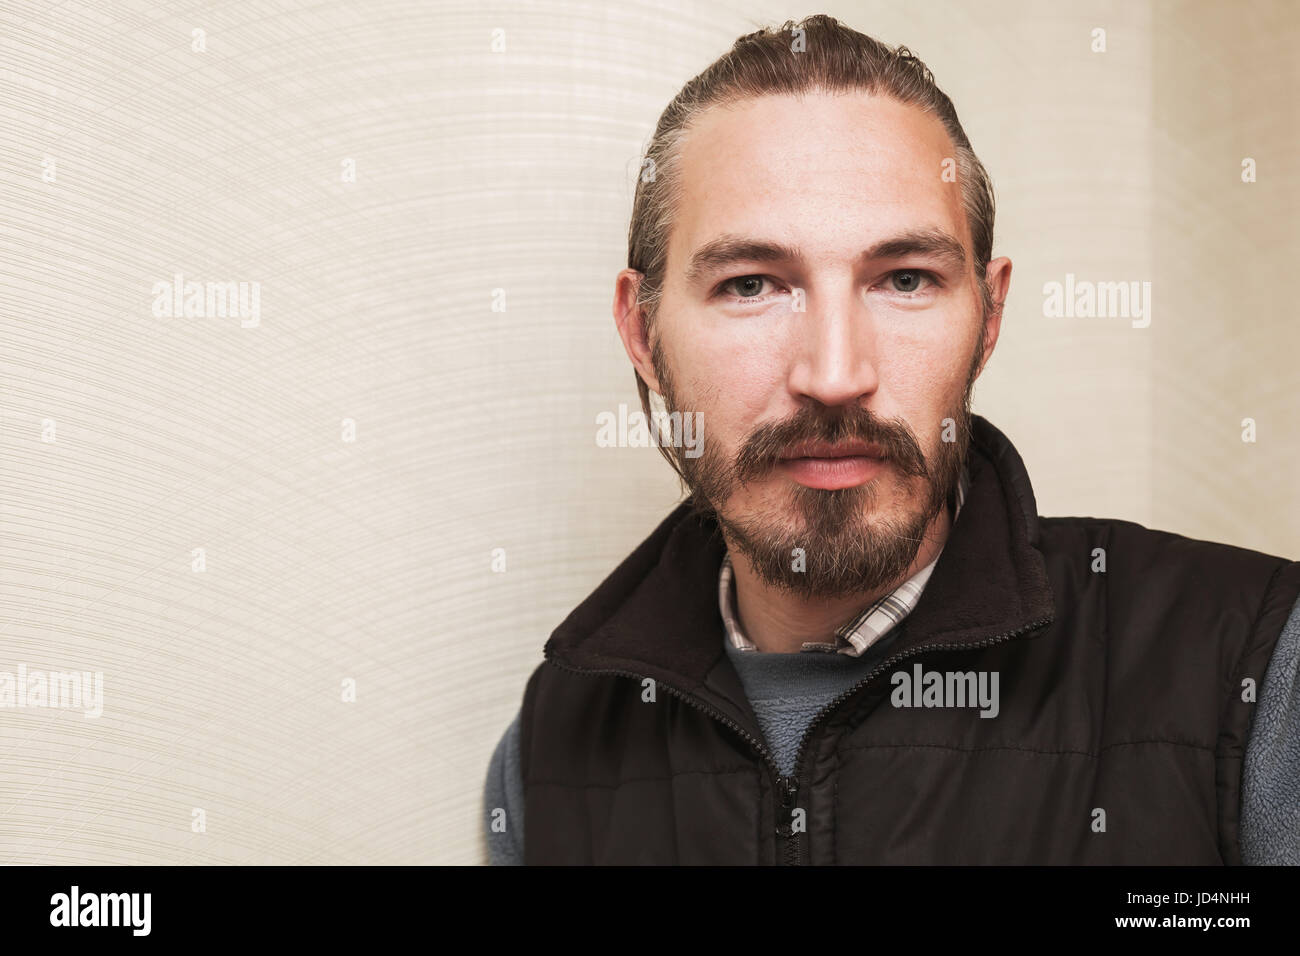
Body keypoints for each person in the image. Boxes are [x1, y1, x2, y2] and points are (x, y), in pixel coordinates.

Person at [483, 14, 1300, 864]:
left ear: (988, 319)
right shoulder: (547, 755)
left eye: (905, 279)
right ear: (644, 333)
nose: (834, 375)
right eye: (752, 284)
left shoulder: (1258, 673)